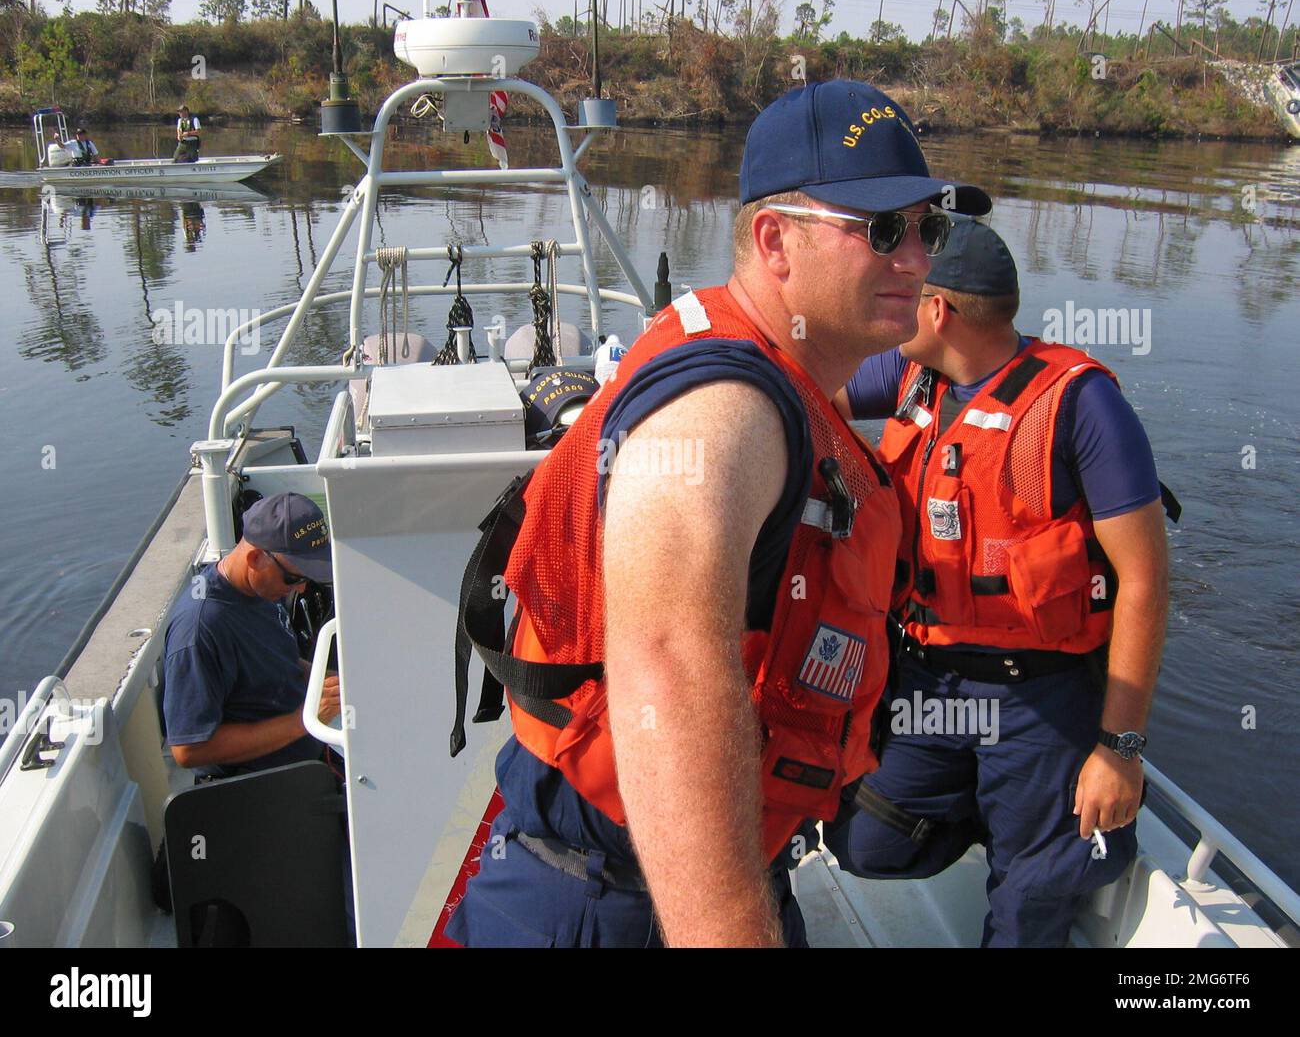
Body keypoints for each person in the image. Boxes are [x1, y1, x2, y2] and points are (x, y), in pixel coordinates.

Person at [446, 80, 991, 948]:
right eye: (883, 231)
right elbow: (663, 661)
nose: (919, 260)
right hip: (612, 905)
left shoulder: (788, 359)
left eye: (931, 228)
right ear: (775, 241)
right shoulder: (724, 410)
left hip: (696, 868)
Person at [824, 218, 1173, 947]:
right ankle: (1007, 815)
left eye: (904, 292)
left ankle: (1046, 843)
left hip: (1038, 699)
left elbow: (1144, 580)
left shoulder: (1081, 406)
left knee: (1025, 912)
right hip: (930, 683)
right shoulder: (912, 373)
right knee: (864, 844)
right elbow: (810, 386)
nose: (889, 309)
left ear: (939, 311)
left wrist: (1121, 749)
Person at [162, 492, 340, 779]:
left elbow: (276, 659)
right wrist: (304, 721)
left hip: (310, 752)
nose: (301, 590)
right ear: (256, 558)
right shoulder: (199, 628)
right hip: (260, 785)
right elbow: (188, 749)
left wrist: (325, 678)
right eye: (294, 578)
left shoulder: (260, 589)